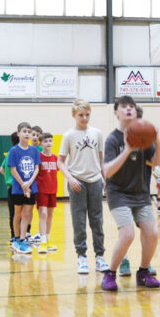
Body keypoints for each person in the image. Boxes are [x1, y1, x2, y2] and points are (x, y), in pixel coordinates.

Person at [100, 95, 160, 291]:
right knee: (127, 234)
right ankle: (110, 274)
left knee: (152, 232)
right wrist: (127, 150)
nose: (128, 109)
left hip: (140, 193)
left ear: (136, 112)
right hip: (118, 193)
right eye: (123, 106)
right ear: (116, 113)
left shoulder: (144, 136)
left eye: (131, 107)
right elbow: (108, 171)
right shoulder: (112, 139)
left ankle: (143, 272)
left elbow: (158, 162)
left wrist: (157, 139)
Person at [58, 99, 109, 275]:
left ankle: (100, 256)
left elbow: (101, 159)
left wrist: (105, 179)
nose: (84, 117)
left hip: (95, 181)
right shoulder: (68, 136)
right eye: (81, 115)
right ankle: (81, 257)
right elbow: (60, 162)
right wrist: (70, 178)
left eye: (87, 114)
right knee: (78, 221)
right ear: (74, 115)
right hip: (77, 182)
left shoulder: (97, 133)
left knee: (97, 220)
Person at [7, 124, 39, 256]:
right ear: (18, 133)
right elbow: (13, 169)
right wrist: (22, 184)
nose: (27, 134)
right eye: (24, 131)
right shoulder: (13, 150)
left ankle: (23, 239)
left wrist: (29, 183)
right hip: (18, 188)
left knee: (27, 214)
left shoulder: (34, 150)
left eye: (29, 132)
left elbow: (37, 168)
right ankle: (15, 239)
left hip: (31, 187)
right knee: (17, 214)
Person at [34, 132, 60, 254]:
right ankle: (42, 241)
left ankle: (48, 240)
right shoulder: (38, 157)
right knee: (43, 214)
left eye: (50, 140)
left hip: (52, 190)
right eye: (45, 141)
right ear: (41, 143)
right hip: (41, 190)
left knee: (50, 214)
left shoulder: (55, 158)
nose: (48, 143)